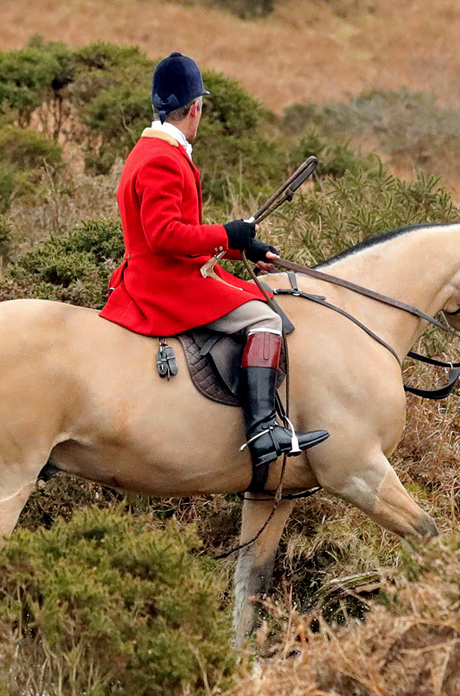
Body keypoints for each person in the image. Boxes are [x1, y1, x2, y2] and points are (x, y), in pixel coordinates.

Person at [99, 52, 327, 470]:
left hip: (174, 269)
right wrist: (226, 232)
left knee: (260, 296)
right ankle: (262, 430)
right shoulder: (163, 159)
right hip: (165, 282)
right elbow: (165, 236)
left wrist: (244, 248)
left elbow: (187, 232)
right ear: (196, 108)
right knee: (266, 320)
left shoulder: (152, 148)